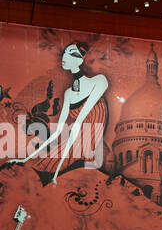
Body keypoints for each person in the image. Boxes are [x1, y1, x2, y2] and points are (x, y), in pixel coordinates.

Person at [15, 42, 109, 183]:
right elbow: (58, 131)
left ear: (80, 59)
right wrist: (26, 158)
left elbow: (80, 120)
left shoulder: (99, 81)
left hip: (88, 139)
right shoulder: (69, 93)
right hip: (77, 139)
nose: (64, 56)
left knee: (58, 161)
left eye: (70, 53)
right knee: (47, 162)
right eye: (64, 52)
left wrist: (58, 169)